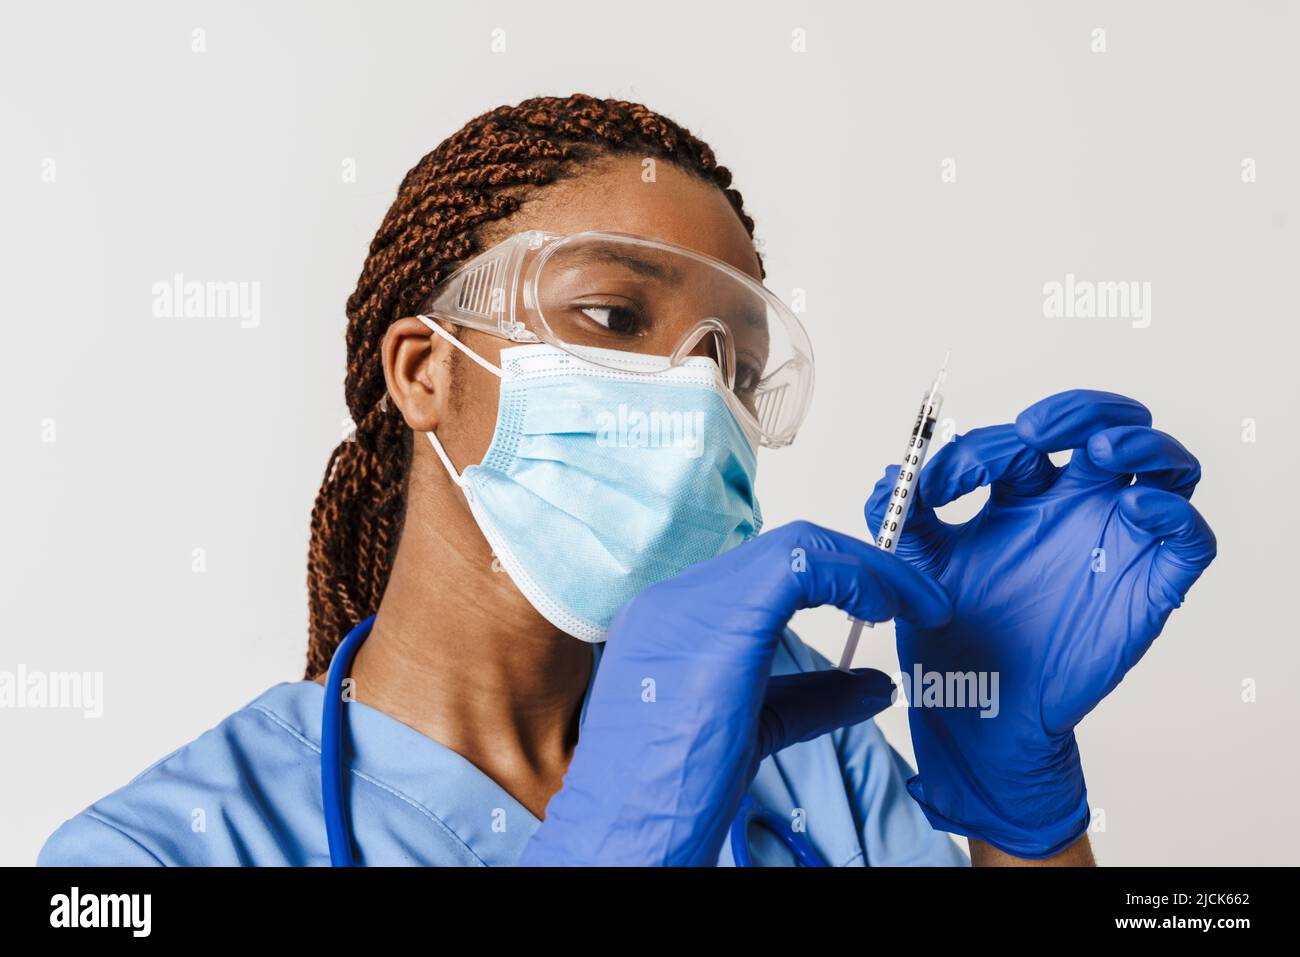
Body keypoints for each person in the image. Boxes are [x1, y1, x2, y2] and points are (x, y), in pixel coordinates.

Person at [38, 95, 1214, 867]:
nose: (697, 396)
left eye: (737, 365)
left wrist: (1023, 814)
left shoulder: (801, 735)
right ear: (423, 371)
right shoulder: (152, 855)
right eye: (610, 315)